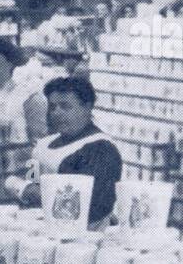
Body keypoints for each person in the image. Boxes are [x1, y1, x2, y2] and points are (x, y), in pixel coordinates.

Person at [16, 77, 123, 229]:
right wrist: (27, 184)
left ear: (87, 107)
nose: (57, 113)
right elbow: (31, 178)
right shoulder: (44, 143)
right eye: (53, 107)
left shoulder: (101, 149)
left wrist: (27, 191)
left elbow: (93, 207)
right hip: (43, 227)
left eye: (65, 106)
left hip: (82, 237)